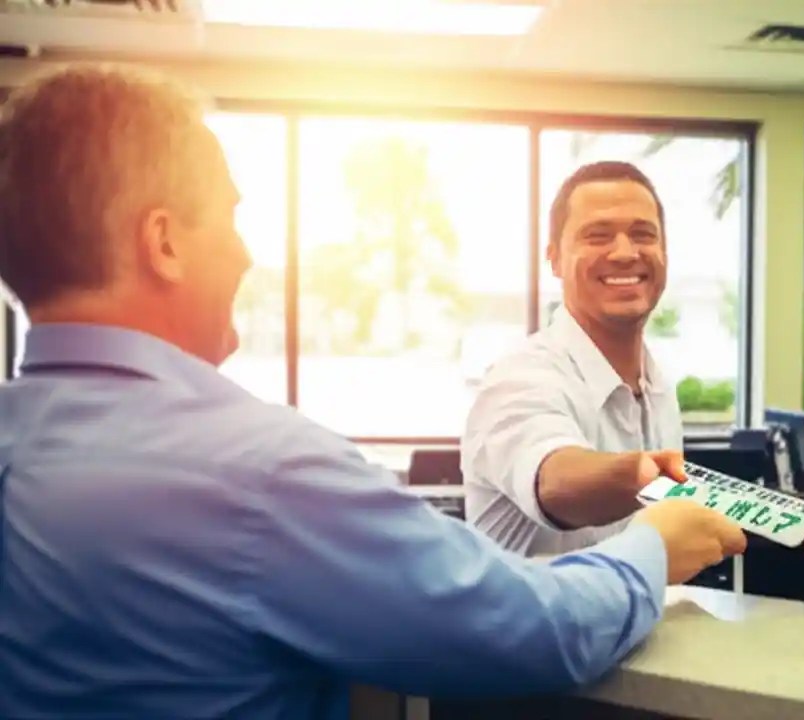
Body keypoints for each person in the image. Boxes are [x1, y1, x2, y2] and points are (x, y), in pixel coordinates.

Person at [0, 63, 747, 718]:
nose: (245, 253)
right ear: (162, 242)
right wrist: (653, 545)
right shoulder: (261, 473)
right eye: (230, 217)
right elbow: (527, 629)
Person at [463, 161, 687, 556]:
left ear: (664, 253)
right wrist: (642, 477)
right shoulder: (520, 377)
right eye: (597, 236)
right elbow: (555, 483)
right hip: (535, 620)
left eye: (643, 234)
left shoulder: (658, 387)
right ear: (554, 259)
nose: (624, 252)